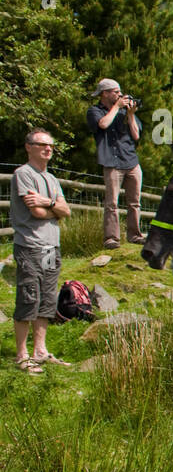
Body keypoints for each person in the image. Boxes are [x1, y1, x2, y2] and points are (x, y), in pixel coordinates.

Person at [11, 129, 72, 374]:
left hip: (50, 247)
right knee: (29, 297)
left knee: (47, 297)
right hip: (30, 246)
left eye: (51, 146)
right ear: (29, 147)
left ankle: (40, 351)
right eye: (42, 144)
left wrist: (47, 202)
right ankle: (21, 355)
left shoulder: (53, 179)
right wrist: (54, 208)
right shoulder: (23, 175)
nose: (48, 149)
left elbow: (65, 211)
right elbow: (36, 214)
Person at [86, 78, 144, 249]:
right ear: (105, 93)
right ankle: (111, 239)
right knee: (112, 203)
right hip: (111, 161)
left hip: (131, 160)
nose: (120, 95)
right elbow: (102, 124)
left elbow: (136, 135)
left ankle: (135, 235)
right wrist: (116, 107)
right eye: (116, 92)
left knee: (135, 202)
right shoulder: (94, 111)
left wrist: (131, 114)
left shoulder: (124, 111)